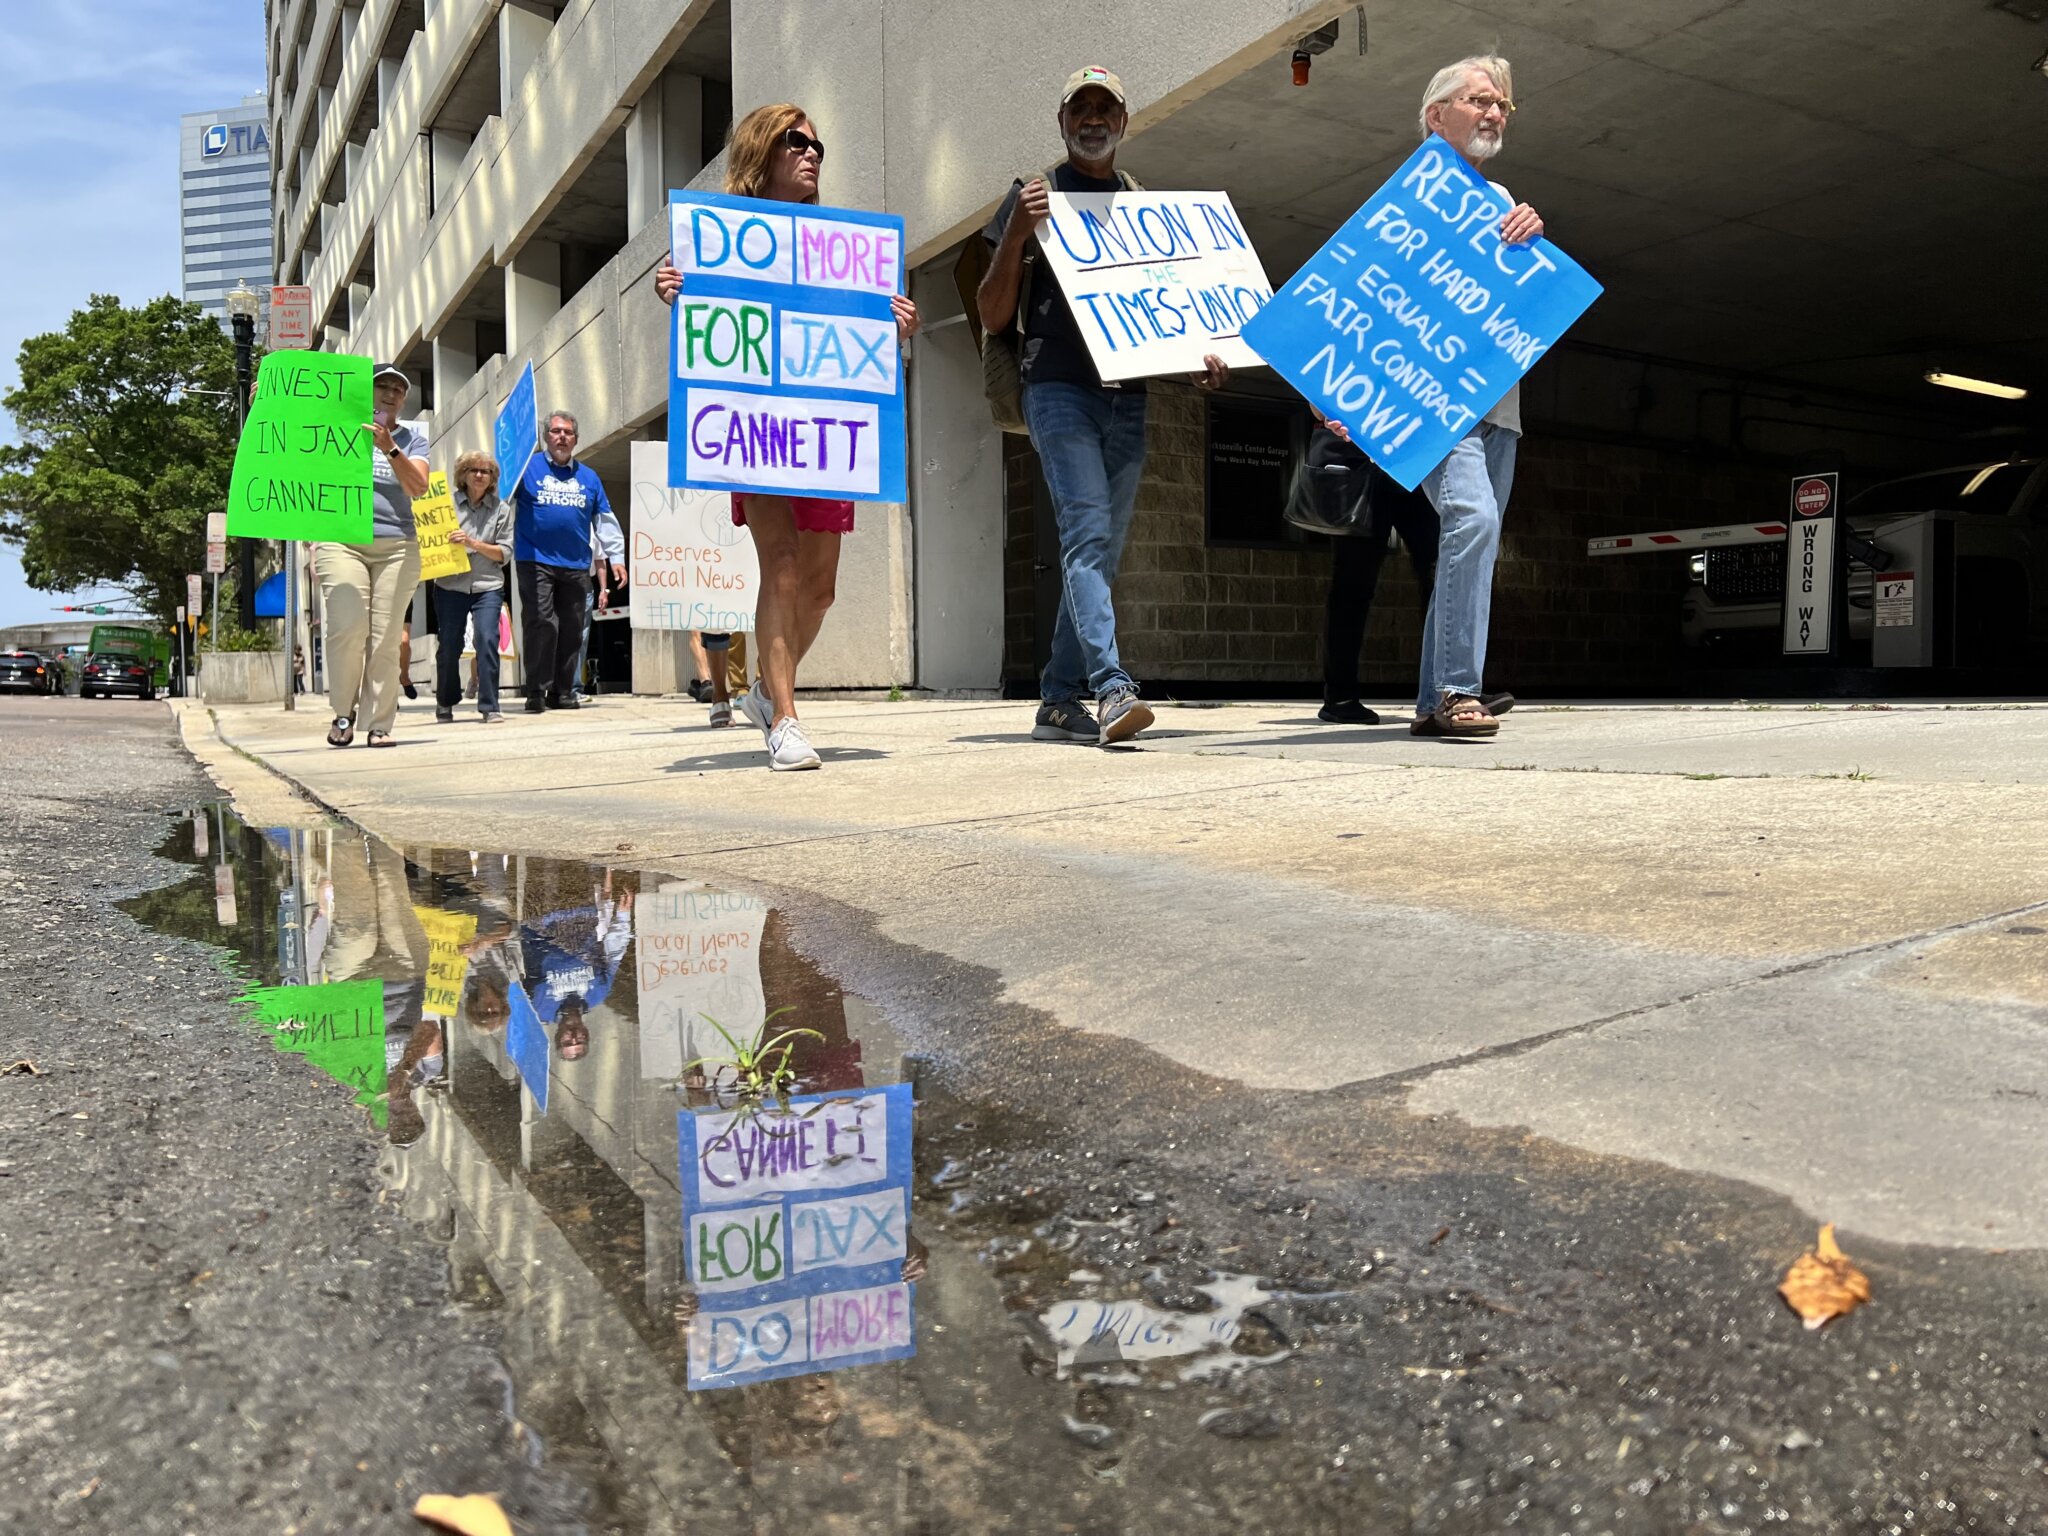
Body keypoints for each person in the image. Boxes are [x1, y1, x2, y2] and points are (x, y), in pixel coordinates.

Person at [654, 104, 921, 771]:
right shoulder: (722, 236)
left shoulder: (841, 246)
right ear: (761, 152)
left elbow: (854, 336)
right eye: (794, 141)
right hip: (758, 428)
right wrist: (674, 290)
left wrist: (894, 325)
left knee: (821, 588)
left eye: (816, 144)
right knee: (781, 565)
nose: (811, 153)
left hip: (823, 434)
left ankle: (770, 691)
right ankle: (787, 720)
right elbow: (703, 307)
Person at [978, 67, 1230, 750]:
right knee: (1086, 537)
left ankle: (1057, 700)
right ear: (1062, 123)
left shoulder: (1145, 207)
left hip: (1128, 396)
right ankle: (1113, 689)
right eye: (1080, 108)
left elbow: (1166, 313)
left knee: (1099, 552)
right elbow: (994, 311)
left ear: (1123, 121)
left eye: (1106, 108)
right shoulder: (1034, 197)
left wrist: (1201, 356)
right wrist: (1017, 237)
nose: (1094, 119)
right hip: (1055, 389)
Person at [1402, 56, 1542, 741]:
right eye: (1480, 100)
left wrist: (1533, 241)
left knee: (1471, 545)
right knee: (1473, 522)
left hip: (1498, 405)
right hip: (1435, 401)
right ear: (1437, 116)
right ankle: (1460, 687)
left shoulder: (1501, 201)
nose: (1494, 113)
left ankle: (1433, 701)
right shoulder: (1405, 201)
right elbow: (1357, 297)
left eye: (1502, 106)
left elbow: (1521, 295)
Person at [312, 362, 425, 746]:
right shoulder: (335, 427)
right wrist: (270, 404)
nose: (391, 393)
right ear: (366, 390)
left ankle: (379, 724)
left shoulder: (412, 440)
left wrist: (389, 447)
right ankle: (342, 715)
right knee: (348, 627)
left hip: (397, 547)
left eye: (399, 389)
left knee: (386, 638)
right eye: (383, 386)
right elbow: (289, 450)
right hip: (341, 541)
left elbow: (418, 487)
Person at [509, 410, 626, 713]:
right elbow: (501, 498)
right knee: (542, 623)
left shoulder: (589, 477)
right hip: (534, 559)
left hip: (575, 564)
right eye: (556, 431)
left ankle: (563, 691)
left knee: (573, 628)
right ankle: (536, 688)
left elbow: (605, 519)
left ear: (576, 439)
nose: (562, 437)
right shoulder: (527, 468)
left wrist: (616, 557)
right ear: (546, 436)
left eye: (568, 433)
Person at [433, 451, 516, 723]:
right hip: (449, 585)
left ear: (492, 478)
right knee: (448, 645)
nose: (480, 475)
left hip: (487, 585)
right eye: (474, 470)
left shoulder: (502, 510)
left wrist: (472, 543)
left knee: (487, 640)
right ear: (463, 475)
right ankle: (445, 700)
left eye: (486, 471)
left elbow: (504, 553)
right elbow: (429, 539)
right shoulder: (445, 505)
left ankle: (490, 705)